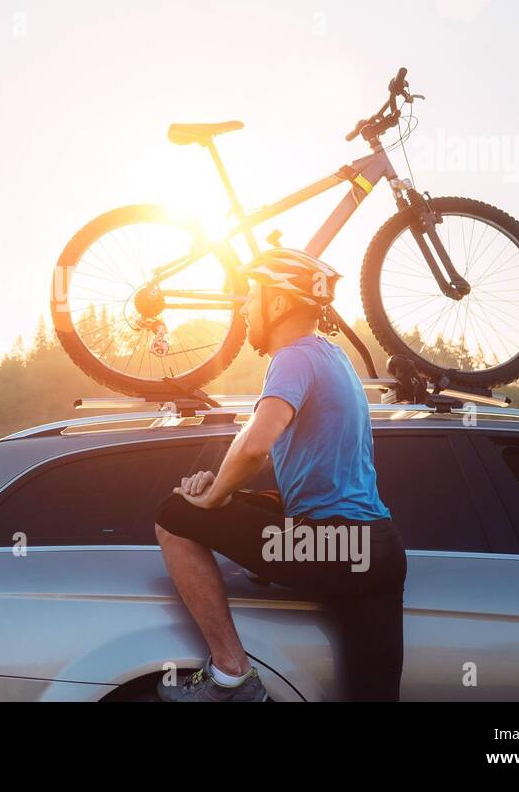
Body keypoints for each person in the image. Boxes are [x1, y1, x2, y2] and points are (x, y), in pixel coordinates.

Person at [154, 247, 407, 702]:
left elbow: (255, 445)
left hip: (334, 543)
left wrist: (211, 502)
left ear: (277, 303)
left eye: (251, 297)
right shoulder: (335, 359)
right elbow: (301, 457)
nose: (245, 308)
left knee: (174, 515)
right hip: (380, 548)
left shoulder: (292, 358)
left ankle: (231, 676)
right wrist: (223, 487)